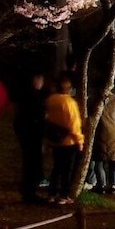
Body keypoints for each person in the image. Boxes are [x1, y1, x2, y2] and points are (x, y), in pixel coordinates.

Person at [45, 74, 84, 205]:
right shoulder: (69, 103)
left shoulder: (51, 100)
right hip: (68, 141)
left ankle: (51, 193)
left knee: (56, 167)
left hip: (54, 138)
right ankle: (63, 195)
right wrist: (80, 140)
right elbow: (74, 124)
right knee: (67, 169)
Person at [12, 71, 49, 203]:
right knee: (32, 163)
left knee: (30, 163)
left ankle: (29, 189)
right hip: (32, 135)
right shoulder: (33, 97)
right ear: (36, 80)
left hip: (29, 135)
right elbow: (35, 116)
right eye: (40, 80)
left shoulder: (29, 96)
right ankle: (30, 192)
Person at [91, 92, 115, 194]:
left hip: (98, 134)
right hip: (113, 135)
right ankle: (113, 185)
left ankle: (101, 184)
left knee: (99, 162)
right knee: (113, 162)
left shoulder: (93, 99)